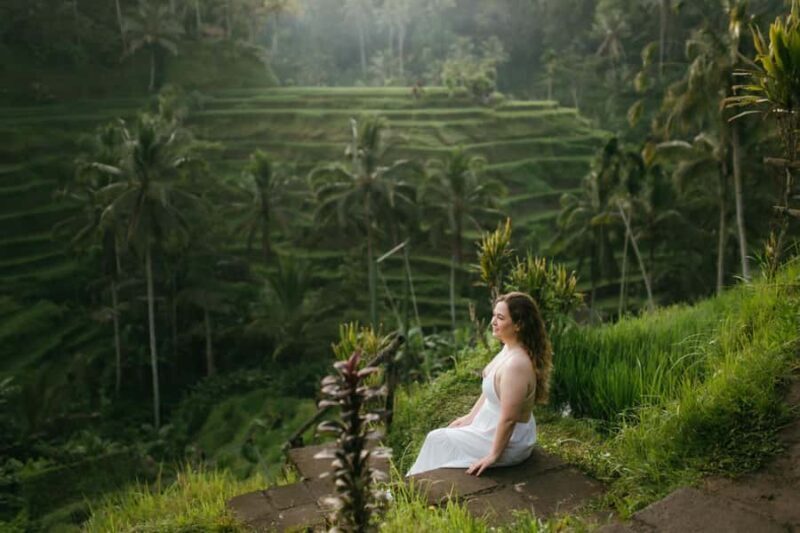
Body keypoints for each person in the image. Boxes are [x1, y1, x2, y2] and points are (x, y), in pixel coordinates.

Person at [406, 291, 553, 477]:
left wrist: (493, 455)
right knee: (443, 437)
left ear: (518, 325)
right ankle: (414, 484)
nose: (493, 321)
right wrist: (469, 417)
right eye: (494, 315)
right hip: (489, 425)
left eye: (500, 318)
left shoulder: (517, 365)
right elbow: (491, 389)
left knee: (437, 439)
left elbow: (509, 418)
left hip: (511, 440)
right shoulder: (508, 348)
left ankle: (413, 487)